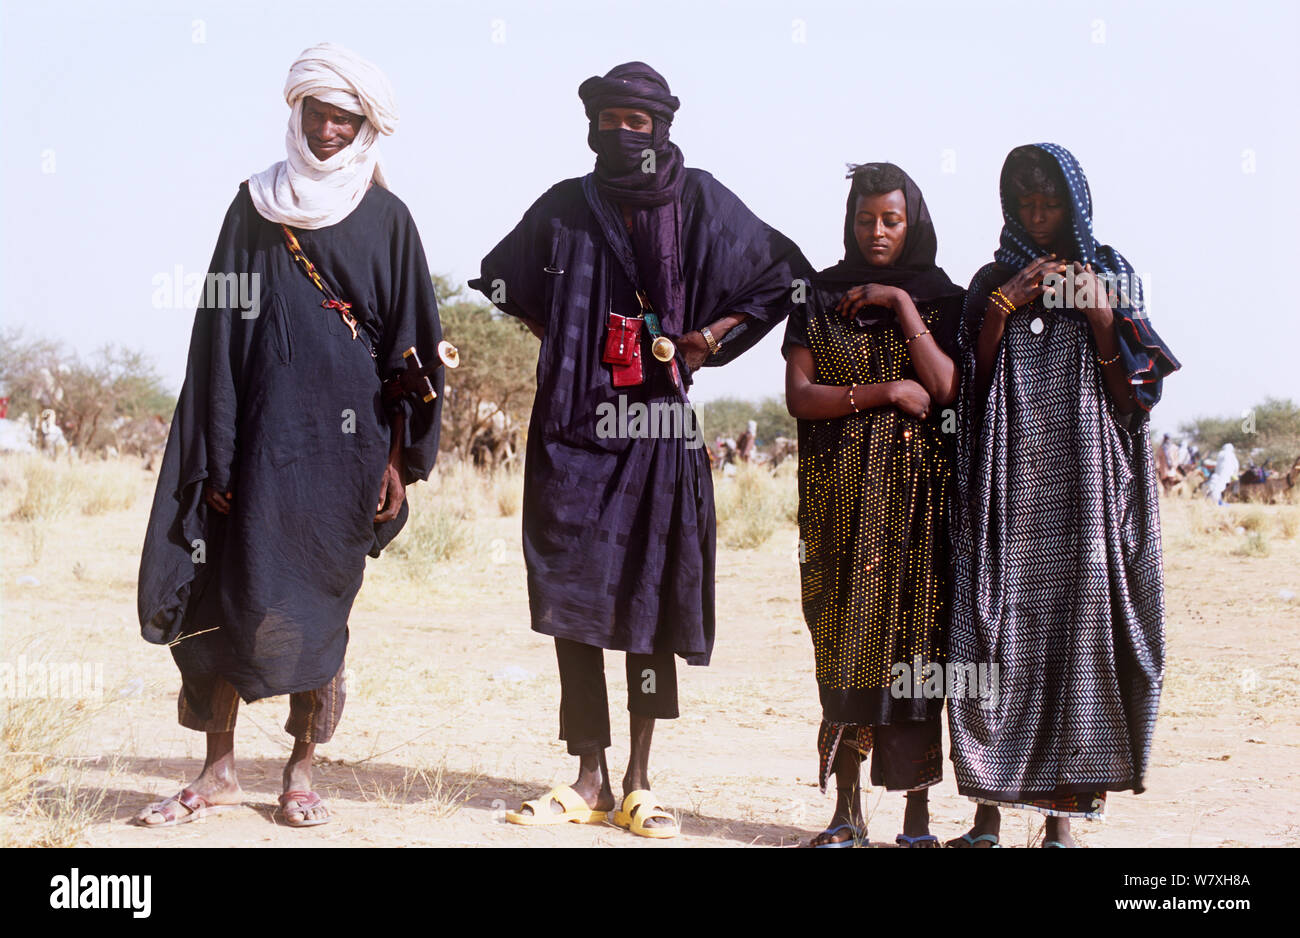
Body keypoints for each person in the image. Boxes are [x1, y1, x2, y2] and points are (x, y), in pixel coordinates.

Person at [469, 61, 809, 838]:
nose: (625, 135)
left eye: (639, 122)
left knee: (651, 604)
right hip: (572, 432)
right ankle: (586, 774)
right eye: (611, 120)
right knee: (575, 605)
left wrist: (708, 341)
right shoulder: (564, 207)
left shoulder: (700, 201)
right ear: (591, 126)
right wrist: (565, 337)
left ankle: (638, 782)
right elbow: (495, 281)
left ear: (663, 128)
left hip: (657, 430)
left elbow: (784, 277)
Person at [135, 43, 446, 828]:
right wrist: (217, 447)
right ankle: (218, 772)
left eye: (347, 118)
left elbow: (411, 348)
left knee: (318, 603)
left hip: (345, 454)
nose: (331, 130)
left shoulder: (388, 221)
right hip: (252, 438)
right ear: (297, 112)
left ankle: (302, 770)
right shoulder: (254, 207)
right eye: (320, 113)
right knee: (227, 594)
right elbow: (218, 337)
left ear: (367, 126)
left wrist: (399, 459)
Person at [947, 144, 1179, 848]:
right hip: (1008, 483)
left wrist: (1101, 314)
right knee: (992, 633)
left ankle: (1062, 825)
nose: (1039, 217)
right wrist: (1002, 308)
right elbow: (969, 390)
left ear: (1074, 204)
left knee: (1079, 644)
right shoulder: (993, 278)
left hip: (1084, 485)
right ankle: (986, 815)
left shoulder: (1110, 272)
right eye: (1026, 204)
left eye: (1050, 204)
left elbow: (1134, 398)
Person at [784, 163, 963, 847]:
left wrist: (900, 304)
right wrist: (884, 391)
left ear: (912, 220)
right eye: (866, 219)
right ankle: (847, 813)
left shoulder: (941, 296)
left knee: (917, 654)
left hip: (918, 510)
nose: (878, 231)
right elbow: (801, 396)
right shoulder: (818, 295)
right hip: (837, 501)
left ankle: (917, 820)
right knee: (842, 650)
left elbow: (946, 387)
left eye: (891, 219)